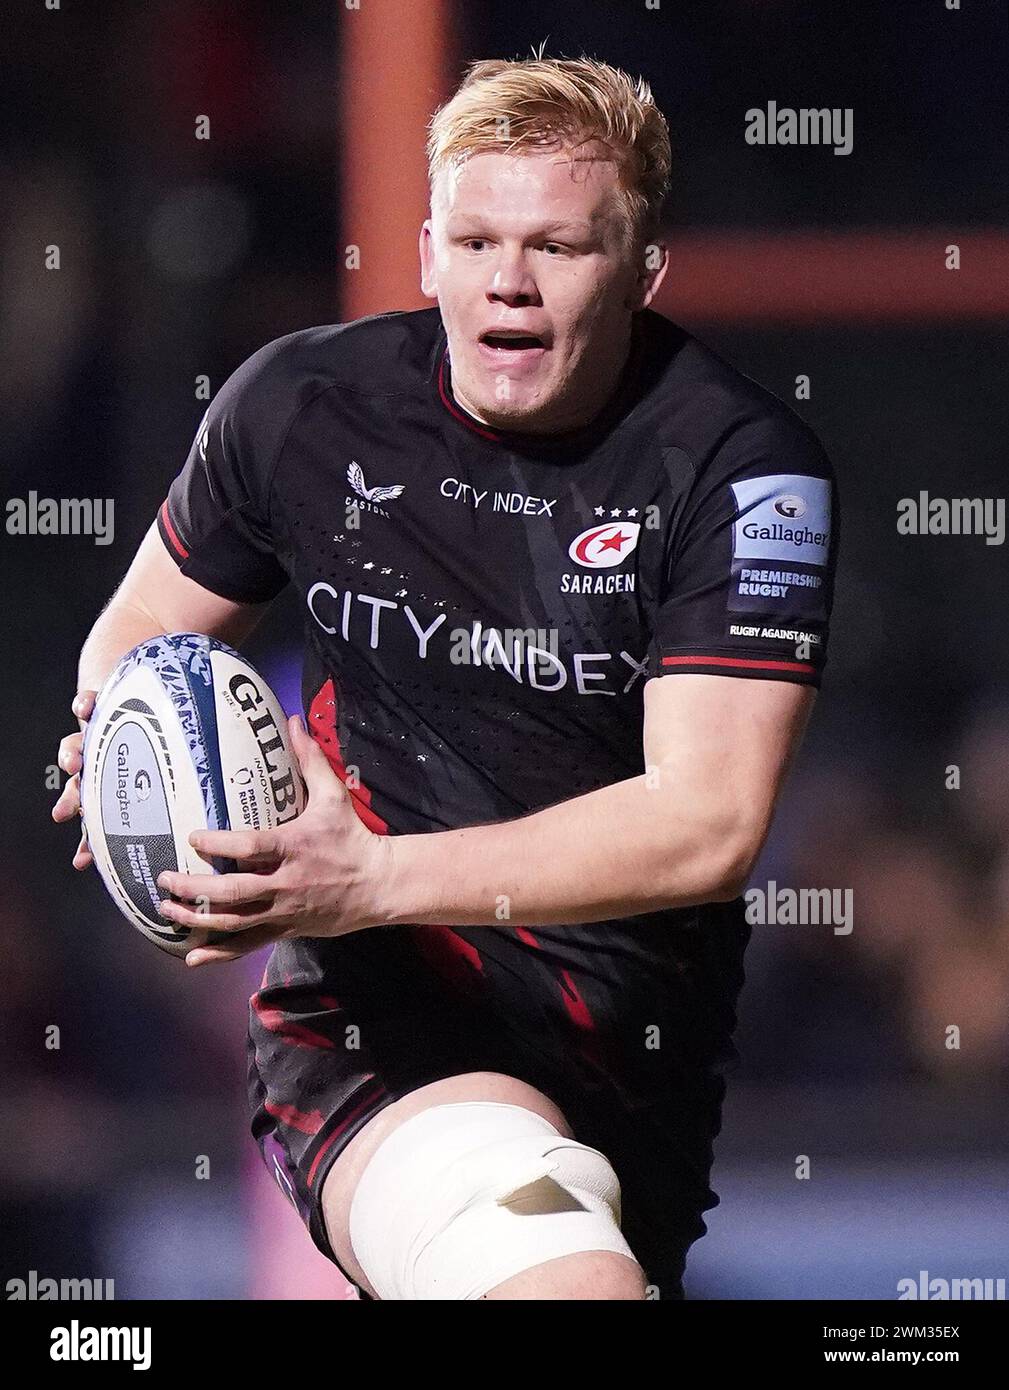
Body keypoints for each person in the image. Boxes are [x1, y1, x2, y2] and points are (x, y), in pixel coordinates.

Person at [53, 56, 838, 1300]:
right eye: (474, 239)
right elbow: (136, 632)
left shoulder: (740, 469)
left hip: (630, 1059)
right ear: (426, 254)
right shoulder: (299, 405)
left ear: (643, 270)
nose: (507, 280)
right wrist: (116, 742)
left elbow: (707, 821)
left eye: (558, 247)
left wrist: (366, 874)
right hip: (376, 1033)